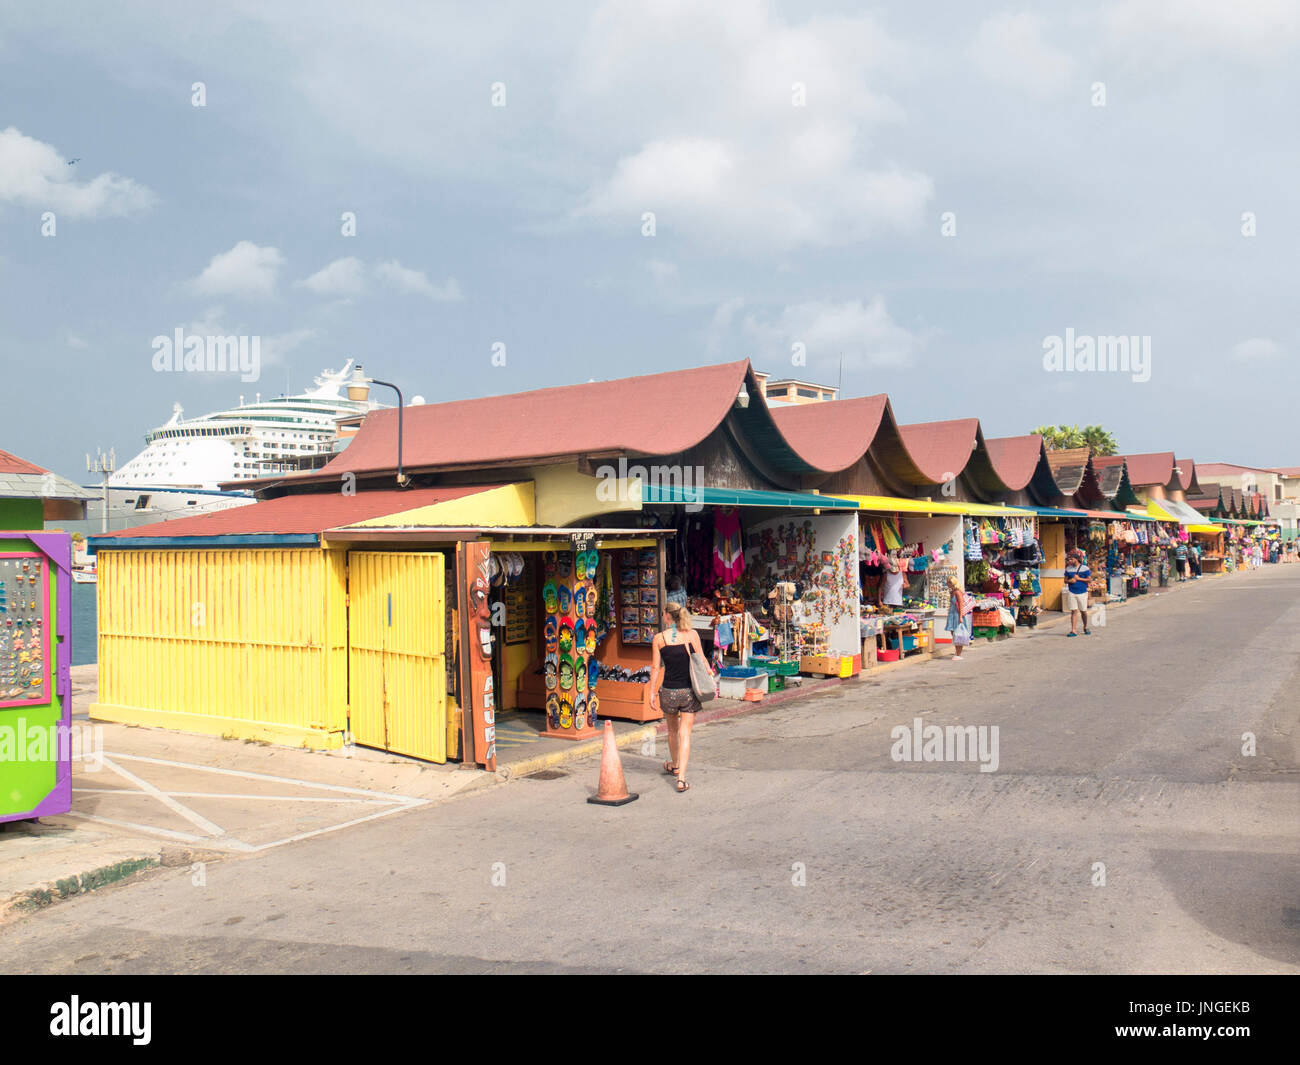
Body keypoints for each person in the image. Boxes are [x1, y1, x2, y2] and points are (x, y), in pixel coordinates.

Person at [651, 601, 707, 793]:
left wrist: (651, 692)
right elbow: (702, 660)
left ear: (667, 616)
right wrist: (710, 678)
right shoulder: (692, 635)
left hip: (668, 692)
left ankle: (675, 765)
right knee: (685, 734)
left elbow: (655, 668)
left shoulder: (659, 638)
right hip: (688, 692)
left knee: (672, 731)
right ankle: (681, 778)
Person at [1063, 548, 1091, 636]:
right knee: (1074, 611)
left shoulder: (1085, 568)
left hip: (1082, 592)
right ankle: (1073, 630)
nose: (1070, 561)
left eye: (1071, 559)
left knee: (1083, 611)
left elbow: (1089, 580)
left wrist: (1079, 579)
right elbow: (1065, 580)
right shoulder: (1068, 569)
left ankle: (1085, 626)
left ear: (1076, 559)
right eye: (1069, 559)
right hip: (1072, 592)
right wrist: (1069, 581)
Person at [945, 574, 973, 660]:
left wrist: (960, 617)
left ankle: (958, 654)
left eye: (949, 583)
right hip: (952, 615)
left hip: (957, 615)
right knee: (954, 634)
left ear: (952, 583)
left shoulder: (957, 592)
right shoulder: (952, 592)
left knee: (958, 635)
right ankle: (957, 651)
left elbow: (961, 605)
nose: (948, 585)